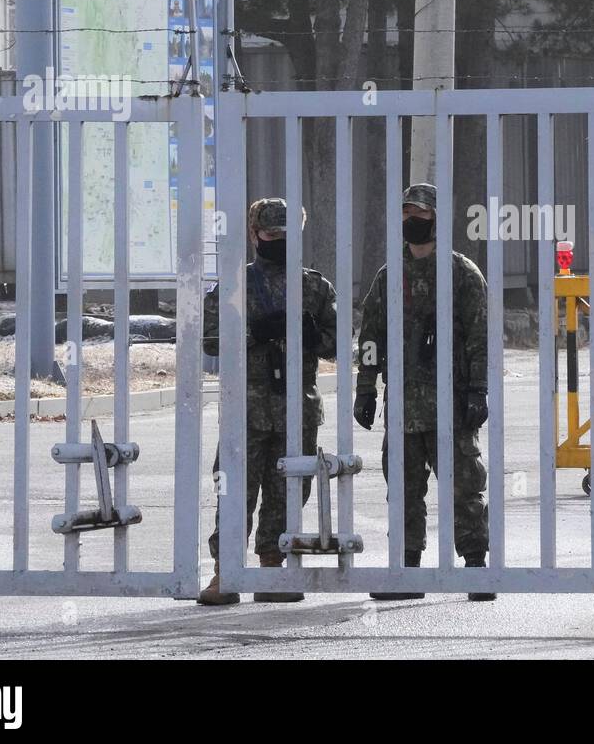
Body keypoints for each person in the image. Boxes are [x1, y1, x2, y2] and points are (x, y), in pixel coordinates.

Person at [354, 183, 494, 602]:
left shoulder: (461, 273)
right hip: (403, 404)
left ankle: (474, 568)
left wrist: (477, 390)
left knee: (464, 485)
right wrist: (366, 388)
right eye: (406, 213)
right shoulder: (388, 277)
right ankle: (407, 569)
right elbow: (371, 336)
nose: (411, 221)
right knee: (402, 486)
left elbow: (478, 336)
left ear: (436, 219)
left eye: (419, 214)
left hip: (449, 403)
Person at [198, 197, 337, 605]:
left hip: (297, 406)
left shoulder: (314, 285)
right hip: (247, 407)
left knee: (289, 491)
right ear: (255, 234)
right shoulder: (235, 284)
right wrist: (253, 333)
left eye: (285, 234)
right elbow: (208, 341)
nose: (277, 240)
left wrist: (315, 337)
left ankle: (272, 570)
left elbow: (336, 343)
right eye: (270, 233)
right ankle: (225, 571)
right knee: (234, 489)